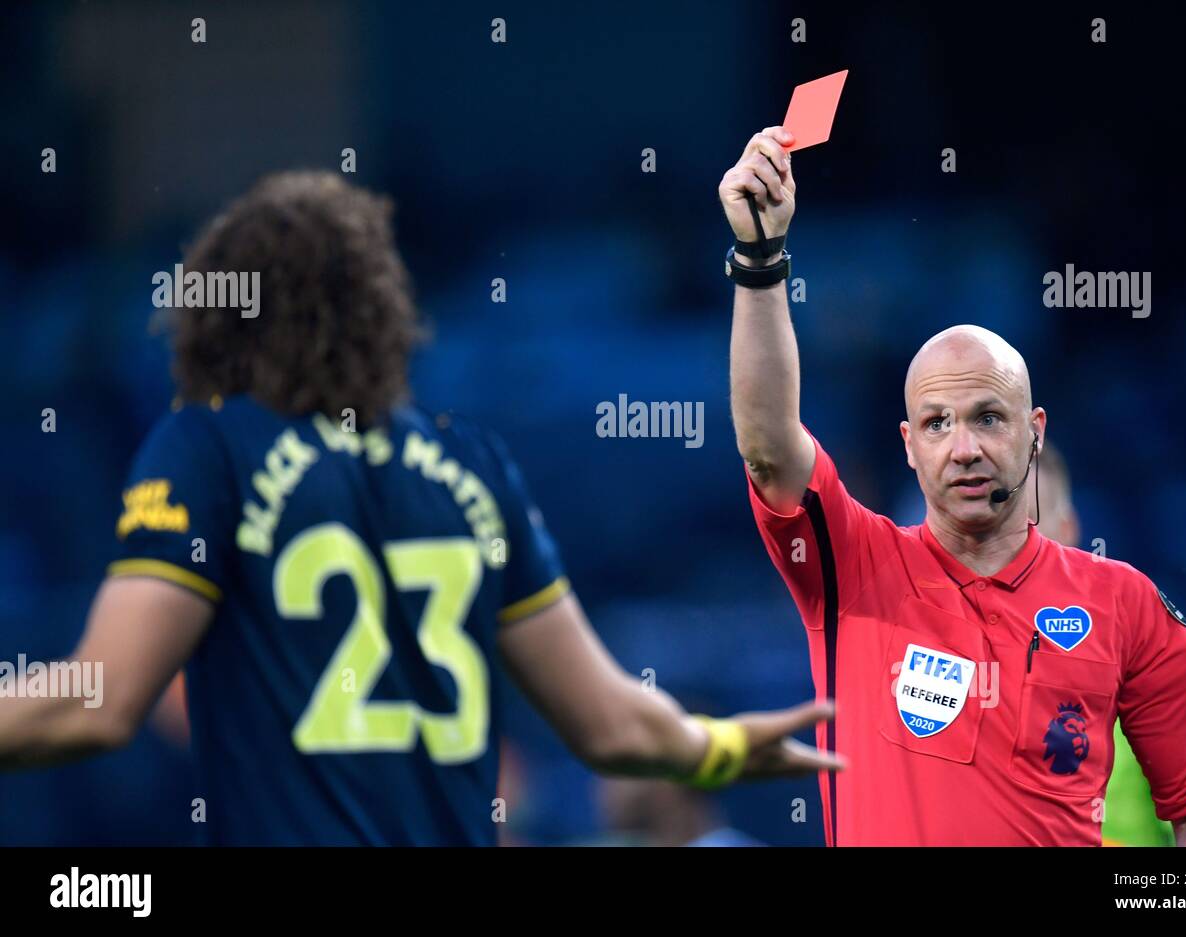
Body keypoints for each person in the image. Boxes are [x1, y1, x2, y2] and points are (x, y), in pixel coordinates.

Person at [0, 171, 839, 845]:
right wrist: (722, 745)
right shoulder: (470, 465)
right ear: (380, 316)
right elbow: (613, 721)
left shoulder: (207, 450)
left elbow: (96, 703)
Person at [720, 126, 1186, 845]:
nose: (963, 448)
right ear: (907, 445)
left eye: (989, 417)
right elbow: (768, 447)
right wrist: (759, 258)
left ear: (1035, 430)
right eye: (935, 423)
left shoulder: (1129, 606)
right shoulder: (853, 565)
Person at [1032, 442, 1186, 846]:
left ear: (1069, 530)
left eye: (1032, 522)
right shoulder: (947, 676)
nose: (1016, 544)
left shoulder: (1143, 673)